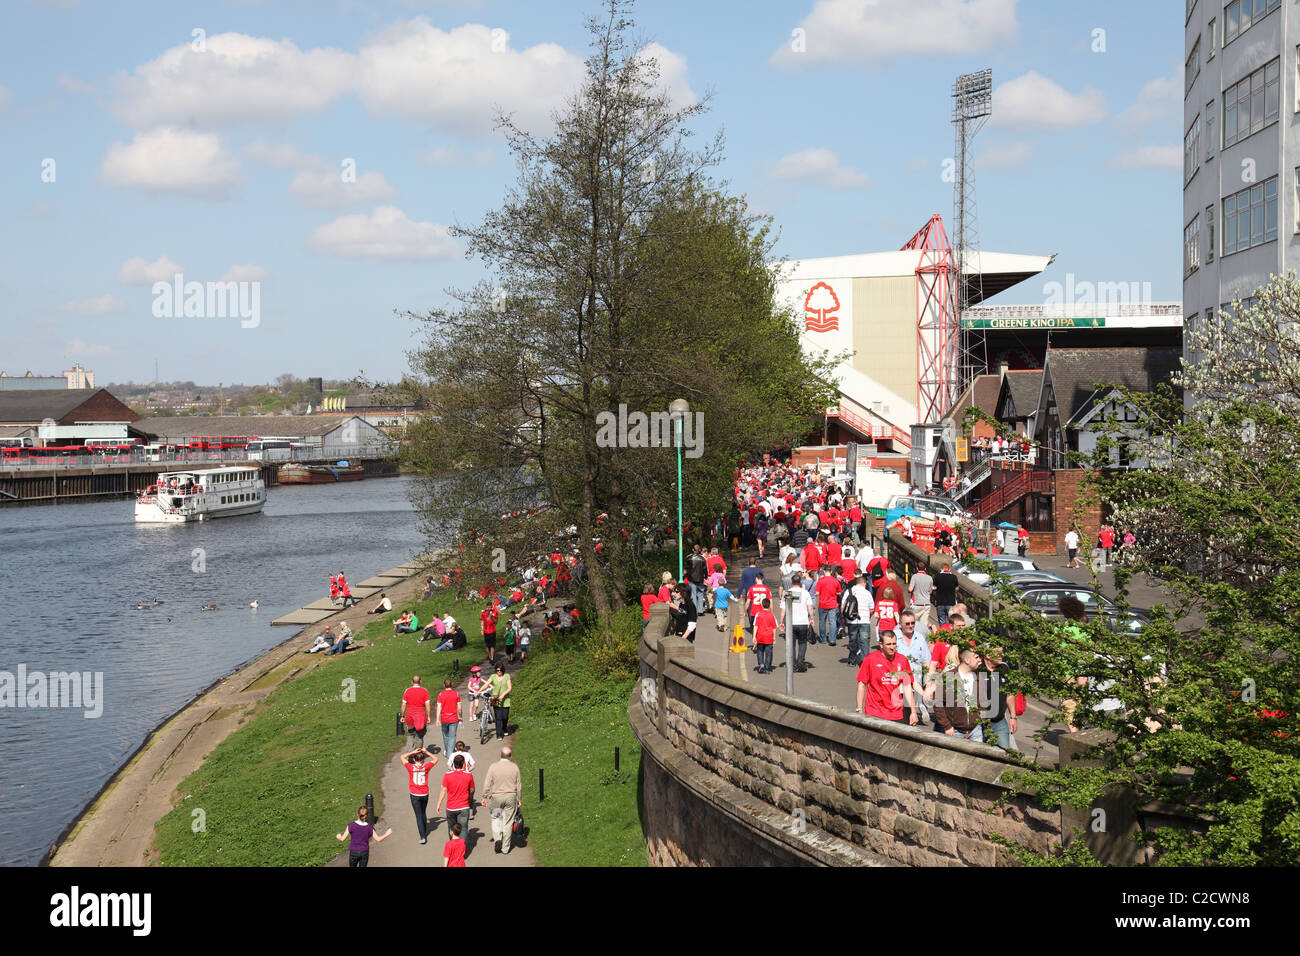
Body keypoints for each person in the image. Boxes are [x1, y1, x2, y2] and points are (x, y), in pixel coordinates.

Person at [856, 630, 919, 725]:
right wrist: (859, 709)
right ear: (881, 645)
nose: (892, 647)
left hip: (896, 713)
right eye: (888, 644)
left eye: (894, 644)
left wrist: (913, 712)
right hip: (874, 712)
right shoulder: (870, 659)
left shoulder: (902, 660)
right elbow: (862, 684)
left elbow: (907, 687)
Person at [933, 647, 984, 741]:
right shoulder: (948, 677)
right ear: (967, 660)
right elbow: (938, 703)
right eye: (976, 657)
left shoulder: (978, 678)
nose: (979, 660)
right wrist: (947, 726)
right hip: (955, 731)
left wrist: (980, 719)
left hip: (975, 730)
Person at [481, 746, 523, 854]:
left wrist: (484, 796)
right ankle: (505, 848)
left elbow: (487, 783)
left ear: (500, 755)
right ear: (510, 756)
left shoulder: (493, 767)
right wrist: (519, 798)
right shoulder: (515, 767)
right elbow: (518, 785)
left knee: (496, 818)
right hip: (510, 797)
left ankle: (497, 839)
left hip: (496, 797)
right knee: (508, 822)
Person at [980, 647, 1019, 752]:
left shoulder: (1004, 668)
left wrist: (1013, 717)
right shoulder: (978, 670)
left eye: (1002, 653)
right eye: (998, 653)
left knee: (1003, 753)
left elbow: (1010, 694)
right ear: (987, 656)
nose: (1002, 655)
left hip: (999, 721)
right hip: (979, 722)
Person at [895, 612, 931, 723]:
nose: (911, 626)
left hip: (915, 682)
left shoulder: (919, 638)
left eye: (913, 623)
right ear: (900, 624)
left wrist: (927, 683)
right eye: (907, 623)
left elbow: (926, 662)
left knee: (909, 715)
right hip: (897, 684)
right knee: (898, 715)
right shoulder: (894, 636)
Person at [402, 747, 438, 844]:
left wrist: (412, 752)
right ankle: (424, 829)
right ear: (423, 760)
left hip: (414, 794)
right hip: (425, 793)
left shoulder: (410, 767)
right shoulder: (426, 767)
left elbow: (402, 757)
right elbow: (435, 759)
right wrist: (427, 752)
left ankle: (423, 836)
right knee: (423, 812)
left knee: (418, 815)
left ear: (414, 759)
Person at [779, 575, 814, 672]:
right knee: (803, 642)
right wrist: (811, 618)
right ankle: (800, 660)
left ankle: (793, 664)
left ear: (791, 582)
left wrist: (781, 621)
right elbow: (810, 608)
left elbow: (783, 609)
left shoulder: (788, 593)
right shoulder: (805, 593)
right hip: (803, 622)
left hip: (791, 623)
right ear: (800, 582)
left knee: (792, 644)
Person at [435, 753, 475, 841]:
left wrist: (438, 803)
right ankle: (461, 849)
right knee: (463, 828)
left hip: (451, 807)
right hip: (464, 806)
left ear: (453, 764)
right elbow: (472, 790)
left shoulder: (447, 775)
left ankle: (453, 846)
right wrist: (470, 798)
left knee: (451, 828)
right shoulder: (469, 775)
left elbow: (443, 790)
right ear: (463, 763)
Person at [842, 573, 872, 666]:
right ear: (864, 583)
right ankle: (864, 662)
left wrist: (844, 618)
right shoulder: (867, 593)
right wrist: (868, 615)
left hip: (852, 620)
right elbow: (871, 608)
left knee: (853, 640)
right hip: (864, 620)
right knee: (864, 641)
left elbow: (843, 607)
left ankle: (852, 660)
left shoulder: (849, 591)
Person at [400, 676, 432, 754]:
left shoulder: (407, 691)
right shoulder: (424, 691)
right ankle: (418, 754)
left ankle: (410, 754)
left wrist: (402, 716)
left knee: (410, 736)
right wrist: (428, 716)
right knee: (419, 736)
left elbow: (404, 704)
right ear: (420, 681)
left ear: (412, 682)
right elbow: (427, 705)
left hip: (410, 715)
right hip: (421, 716)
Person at [812, 566, 841, 646]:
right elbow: (839, 592)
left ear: (824, 572)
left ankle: (823, 639)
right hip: (833, 603)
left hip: (822, 603)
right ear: (831, 571)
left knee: (822, 622)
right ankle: (832, 640)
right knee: (832, 622)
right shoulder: (835, 580)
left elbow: (817, 593)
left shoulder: (820, 581)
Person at [435, 678, 461, 758]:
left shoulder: (441, 694)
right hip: (453, 718)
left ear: (444, 685)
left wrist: (437, 719)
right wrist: (460, 716)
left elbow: (439, 707)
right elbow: (459, 708)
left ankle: (448, 751)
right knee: (452, 736)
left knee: (446, 736)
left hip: (444, 718)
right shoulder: (456, 694)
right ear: (451, 685)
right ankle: (449, 754)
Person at [487, 663, 513, 740]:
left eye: (500, 670)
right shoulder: (493, 676)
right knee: (498, 718)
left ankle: (504, 728)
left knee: (505, 717)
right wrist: (478, 691)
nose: (499, 671)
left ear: (503, 670)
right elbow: (487, 684)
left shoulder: (507, 676)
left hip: (506, 700)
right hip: (495, 699)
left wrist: (503, 695)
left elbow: (509, 688)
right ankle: (499, 734)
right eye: (497, 670)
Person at [752, 597, 777, 674]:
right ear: (769, 606)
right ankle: (767, 667)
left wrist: (754, 636)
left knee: (760, 651)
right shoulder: (772, 615)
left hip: (760, 636)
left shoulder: (758, 614)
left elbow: (755, 626)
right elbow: (774, 627)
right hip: (769, 637)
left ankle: (761, 664)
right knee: (769, 652)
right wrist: (774, 637)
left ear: (762, 605)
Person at [908, 564, 934, 631]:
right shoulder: (930, 578)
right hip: (926, 604)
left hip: (917, 603)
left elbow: (910, 589)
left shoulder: (914, 577)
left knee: (914, 624)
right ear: (925, 568)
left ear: (917, 568)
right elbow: (930, 591)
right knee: (924, 625)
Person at [933, 561, 959, 627]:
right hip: (951, 602)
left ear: (941, 569)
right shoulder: (954, 577)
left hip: (940, 602)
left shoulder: (937, 576)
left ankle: (943, 635)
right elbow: (957, 588)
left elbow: (934, 587)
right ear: (949, 569)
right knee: (952, 621)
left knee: (942, 621)